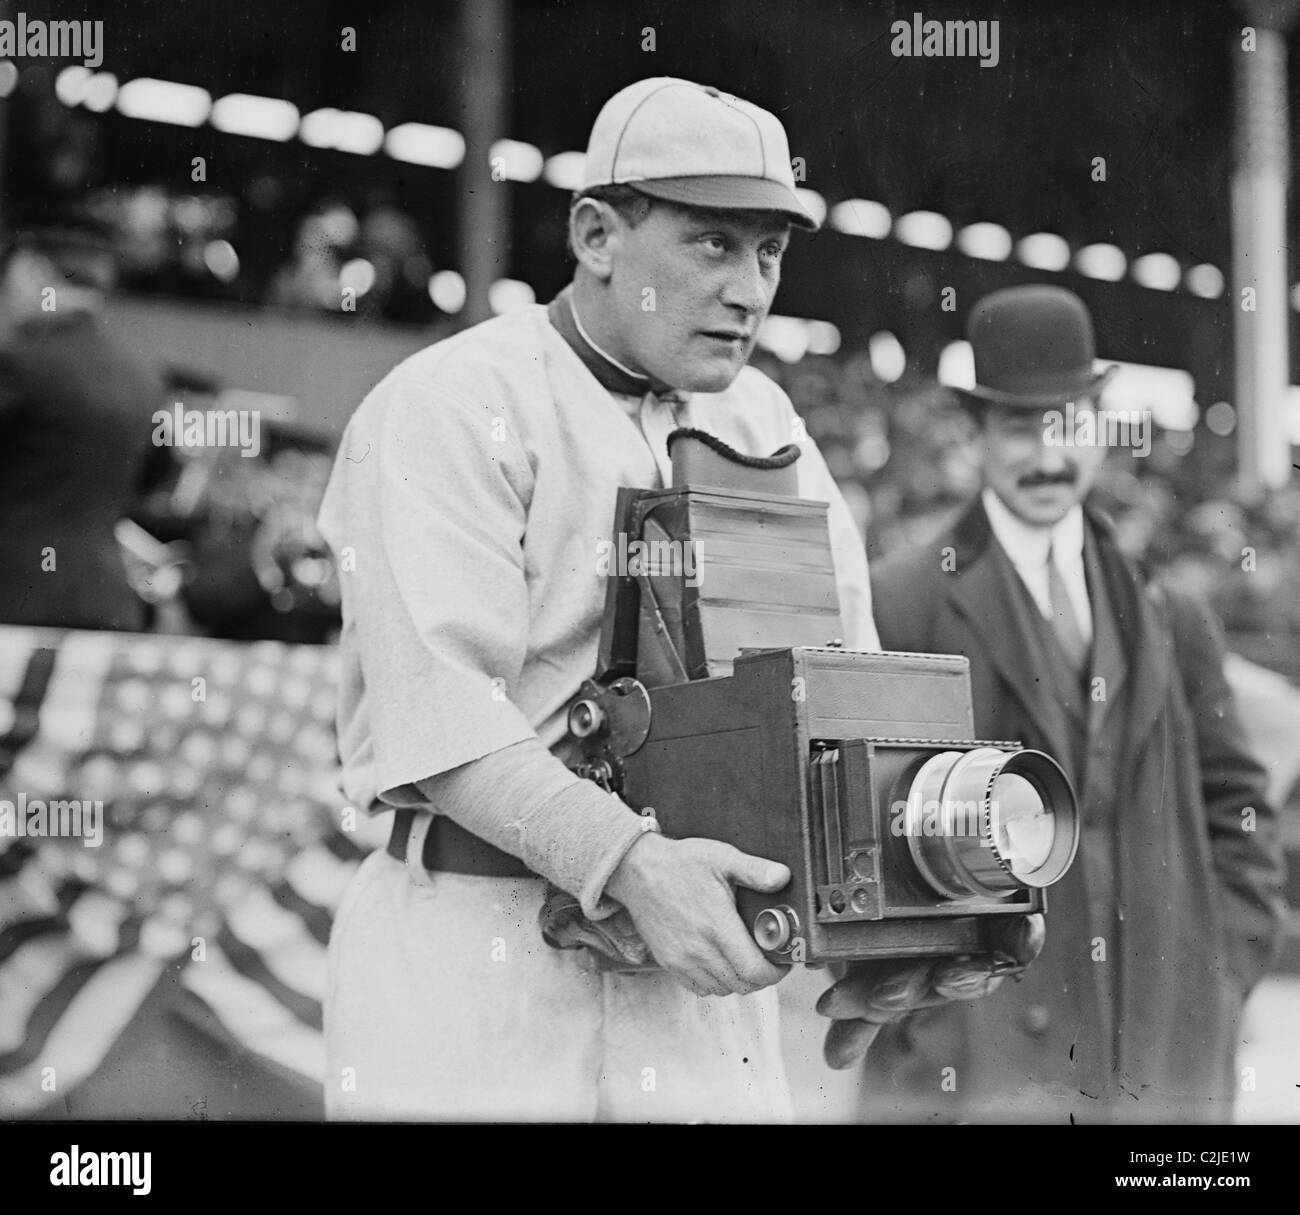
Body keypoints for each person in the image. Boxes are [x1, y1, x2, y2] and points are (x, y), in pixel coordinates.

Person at [316, 78, 1024, 1122]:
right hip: (478, 953)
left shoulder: (764, 418)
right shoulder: (451, 403)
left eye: (771, 252)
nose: (751, 289)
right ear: (596, 234)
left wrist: (903, 924)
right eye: (711, 244)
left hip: (696, 990)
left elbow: (845, 702)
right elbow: (439, 714)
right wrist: (628, 862)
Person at [855, 285, 1287, 1123]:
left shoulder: (1167, 609)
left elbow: (1241, 808)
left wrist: (1220, 968)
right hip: (981, 1065)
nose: (1048, 456)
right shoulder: (901, 598)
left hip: (1157, 1057)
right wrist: (927, 1021)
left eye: (1069, 424)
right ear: (974, 434)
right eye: (1020, 427)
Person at [0, 217, 163, 631]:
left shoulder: (21, 361)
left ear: (32, 269)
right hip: (106, 604)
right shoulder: (142, 376)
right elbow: (153, 480)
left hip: (14, 604)